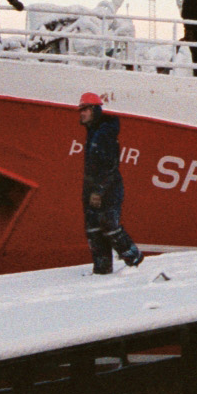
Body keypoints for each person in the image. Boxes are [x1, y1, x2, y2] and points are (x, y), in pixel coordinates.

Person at [79, 93, 144, 274]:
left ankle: (134, 259)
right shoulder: (94, 132)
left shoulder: (104, 134)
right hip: (93, 188)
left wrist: (99, 191)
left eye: (85, 109)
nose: (81, 113)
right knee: (93, 228)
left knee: (108, 224)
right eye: (81, 110)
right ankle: (102, 270)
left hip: (108, 188)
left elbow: (110, 166)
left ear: (94, 110)